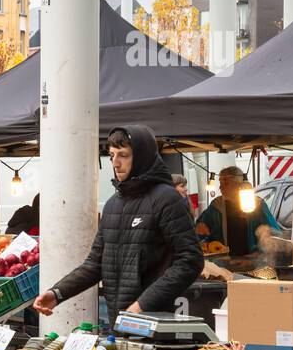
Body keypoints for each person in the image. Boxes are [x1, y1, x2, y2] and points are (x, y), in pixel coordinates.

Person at [34, 125, 203, 321]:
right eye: (112, 155)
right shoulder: (113, 204)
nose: (115, 163)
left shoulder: (166, 199)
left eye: (123, 155)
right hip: (119, 321)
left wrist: (142, 305)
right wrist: (57, 293)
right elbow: (95, 264)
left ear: (142, 157)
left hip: (155, 322)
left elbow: (190, 260)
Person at [195, 166, 282, 259]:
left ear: (238, 185)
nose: (221, 187)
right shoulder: (216, 206)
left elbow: (274, 235)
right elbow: (201, 230)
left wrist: (258, 254)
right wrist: (200, 227)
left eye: (226, 183)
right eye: (220, 183)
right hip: (224, 262)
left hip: (252, 262)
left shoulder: (257, 205)